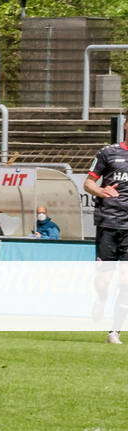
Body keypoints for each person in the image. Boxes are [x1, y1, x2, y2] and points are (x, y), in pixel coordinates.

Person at [84, 129, 128, 344]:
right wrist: (102, 192)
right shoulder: (108, 153)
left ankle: (115, 331)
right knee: (104, 281)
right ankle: (101, 299)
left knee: (126, 280)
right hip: (109, 222)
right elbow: (88, 183)